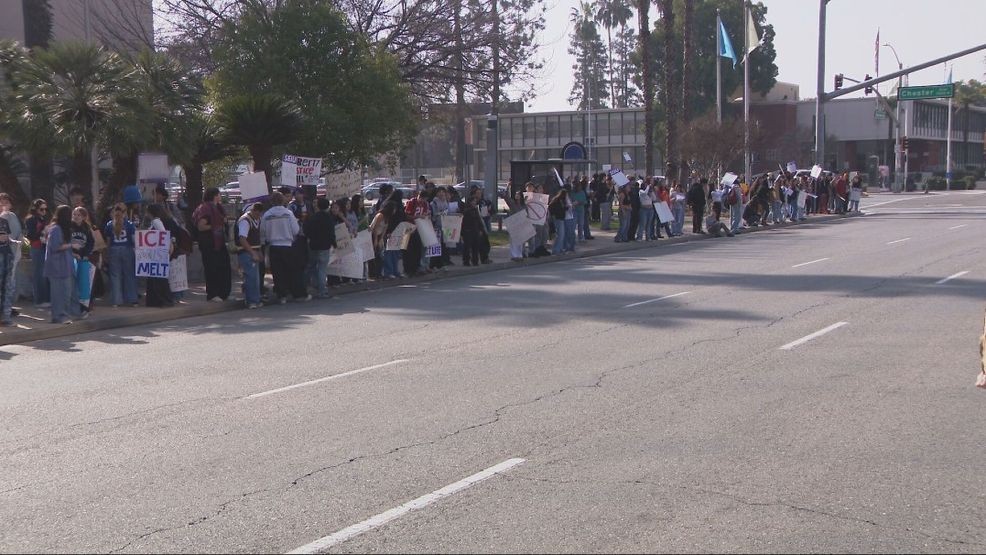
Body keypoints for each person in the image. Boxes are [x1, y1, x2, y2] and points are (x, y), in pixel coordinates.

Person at [262, 191, 309, 302]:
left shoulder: (267, 215)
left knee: (278, 273)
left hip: (274, 246)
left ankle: (281, 295)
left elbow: (263, 231)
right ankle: (297, 294)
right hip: (288, 245)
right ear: (282, 200)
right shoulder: (288, 214)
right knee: (293, 271)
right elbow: (296, 229)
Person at [192, 187, 232, 302]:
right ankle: (213, 293)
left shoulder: (218, 207)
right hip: (209, 243)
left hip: (219, 242)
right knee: (212, 268)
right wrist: (216, 225)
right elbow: (201, 226)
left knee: (223, 267)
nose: (220, 196)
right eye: (219, 194)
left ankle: (223, 292)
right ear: (214, 195)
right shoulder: (205, 208)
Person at [44, 205, 76, 324]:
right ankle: (58, 316)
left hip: (65, 265)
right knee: (58, 293)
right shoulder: (55, 229)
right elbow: (55, 246)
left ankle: (64, 314)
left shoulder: (64, 229)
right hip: (56, 266)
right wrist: (71, 245)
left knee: (66, 292)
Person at [103, 203, 139, 307]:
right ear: (124, 213)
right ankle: (133, 299)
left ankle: (116, 301)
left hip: (114, 250)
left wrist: (107, 253)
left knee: (115, 276)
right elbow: (134, 240)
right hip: (127, 249)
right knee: (129, 275)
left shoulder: (109, 225)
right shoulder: (129, 224)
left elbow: (108, 241)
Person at [304, 197, 336, 298]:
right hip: (325, 246)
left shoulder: (313, 217)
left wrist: (310, 237)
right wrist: (334, 243)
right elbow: (332, 233)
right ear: (327, 207)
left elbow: (306, 229)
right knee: (322, 268)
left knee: (311, 266)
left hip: (313, 245)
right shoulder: (329, 218)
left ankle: (308, 285)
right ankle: (322, 290)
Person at [144, 204, 174, 308]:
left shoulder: (156, 222)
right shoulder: (154, 222)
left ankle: (164, 299)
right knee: (155, 278)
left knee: (159, 278)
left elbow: (163, 234)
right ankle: (156, 300)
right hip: (155, 254)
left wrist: (169, 246)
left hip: (158, 254)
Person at [235, 202, 265, 309]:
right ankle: (252, 301)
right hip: (247, 252)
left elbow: (257, 238)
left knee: (255, 278)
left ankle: (255, 299)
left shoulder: (257, 219)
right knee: (251, 277)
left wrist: (260, 252)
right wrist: (252, 253)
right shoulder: (245, 221)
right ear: (254, 211)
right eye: (258, 214)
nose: (259, 216)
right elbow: (242, 239)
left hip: (255, 251)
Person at [0, 193, 23, 319]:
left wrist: (17, 241)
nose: (3, 205)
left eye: (6, 202)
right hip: (3, 254)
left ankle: (7, 309)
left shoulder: (11, 217)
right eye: (1, 203)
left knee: (10, 283)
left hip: (11, 252)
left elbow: (14, 233)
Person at [69, 207, 95, 318]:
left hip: (83, 257)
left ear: (84, 217)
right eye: (74, 214)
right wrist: (73, 253)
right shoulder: (69, 227)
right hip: (71, 256)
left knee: (84, 282)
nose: (76, 216)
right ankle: (72, 306)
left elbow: (90, 243)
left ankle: (84, 306)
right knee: (73, 283)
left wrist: (84, 254)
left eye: (79, 215)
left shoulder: (86, 228)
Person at [25, 199, 50, 307]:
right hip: (36, 247)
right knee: (38, 274)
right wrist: (42, 231)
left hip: (44, 246)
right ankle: (39, 300)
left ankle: (45, 298)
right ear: (35, 209)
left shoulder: (42, 218)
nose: (44, 211)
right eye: (41, 209)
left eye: (45, 209)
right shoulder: (31, 219)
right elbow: (31, 235)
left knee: (44, 273)